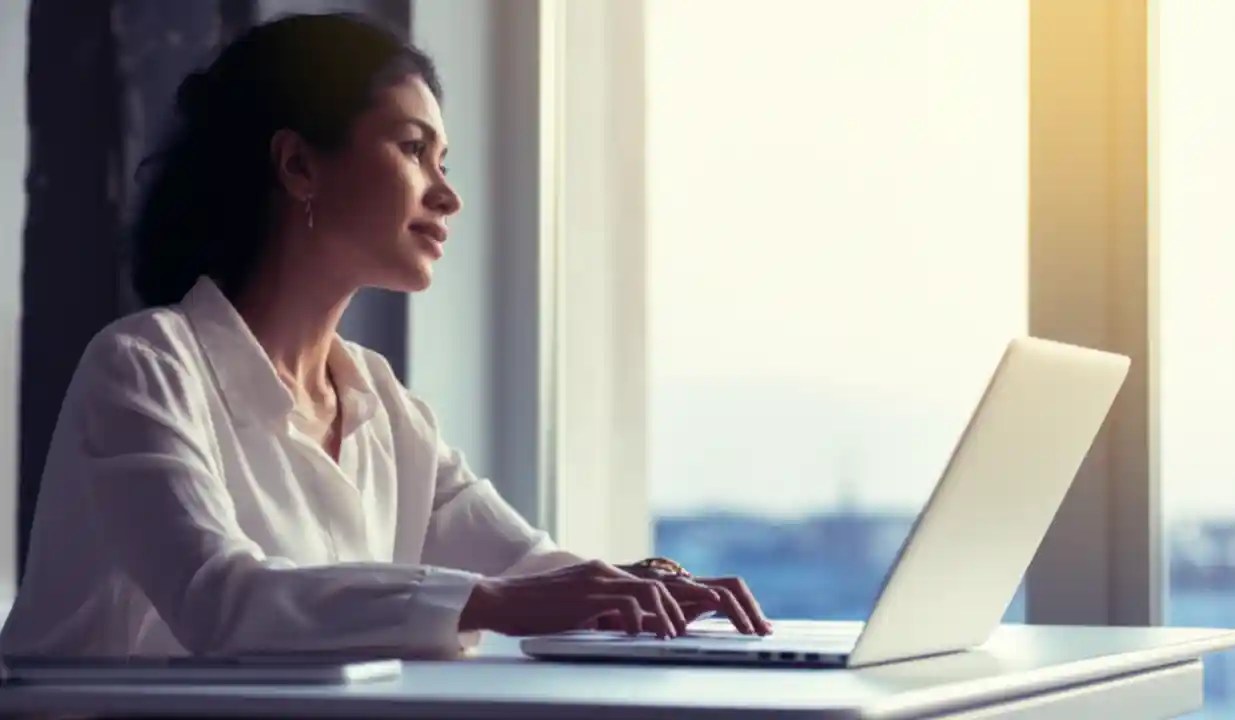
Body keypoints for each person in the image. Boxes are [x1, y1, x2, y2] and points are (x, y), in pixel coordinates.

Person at [0, 13, 769, 659]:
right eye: (412, 148)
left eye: (445, 160)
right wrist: (495, 602)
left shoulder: (380, 402)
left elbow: (529, 569)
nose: (448, 193)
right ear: (299, 164)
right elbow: (220, 599)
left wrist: (654, 589)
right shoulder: (143, 367)